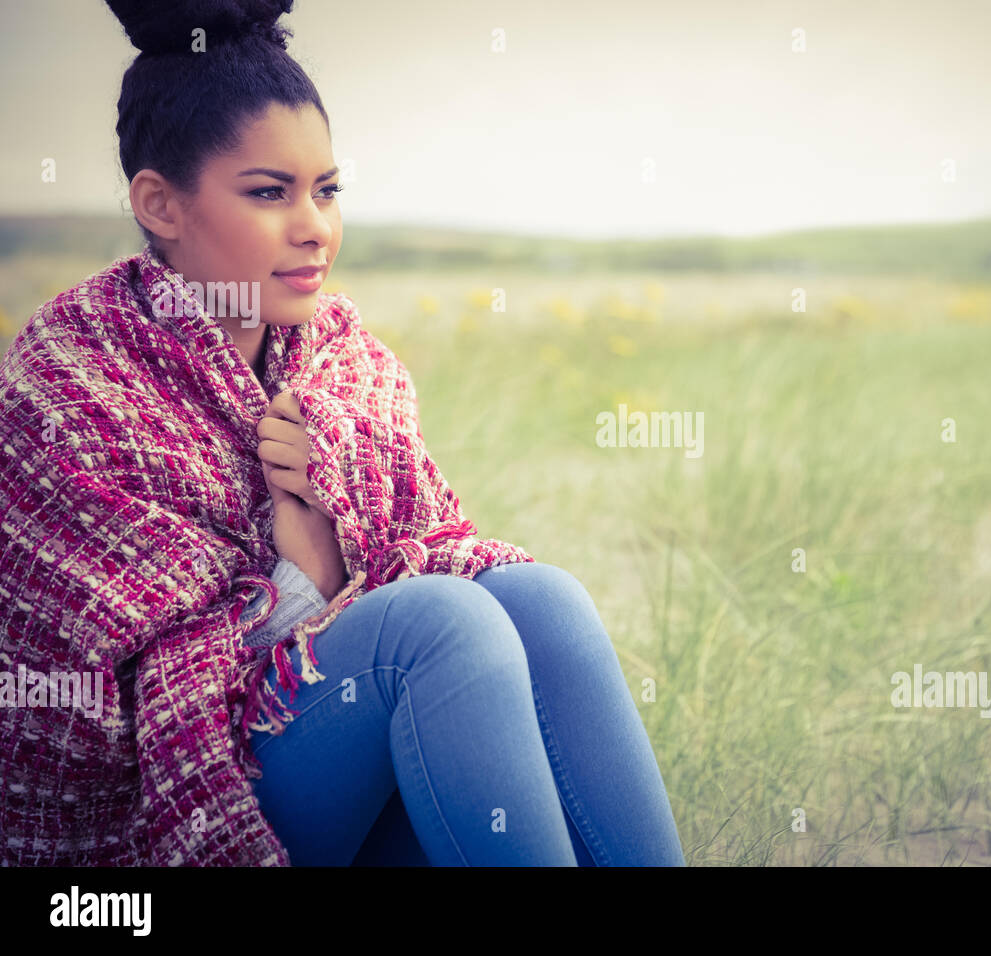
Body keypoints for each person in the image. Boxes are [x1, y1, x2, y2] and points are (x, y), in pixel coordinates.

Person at [0, 0, 684, 867]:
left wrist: (342, 552)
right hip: (168, 813)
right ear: (160, 203)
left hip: (365, 765)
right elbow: (114, 719)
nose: (314, 227)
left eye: (327, 190)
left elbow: (429, 545)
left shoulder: (344, 358)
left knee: (542, 599)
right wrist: (307, 583)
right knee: (440, 625)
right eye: (269, 193)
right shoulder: (69, 385)